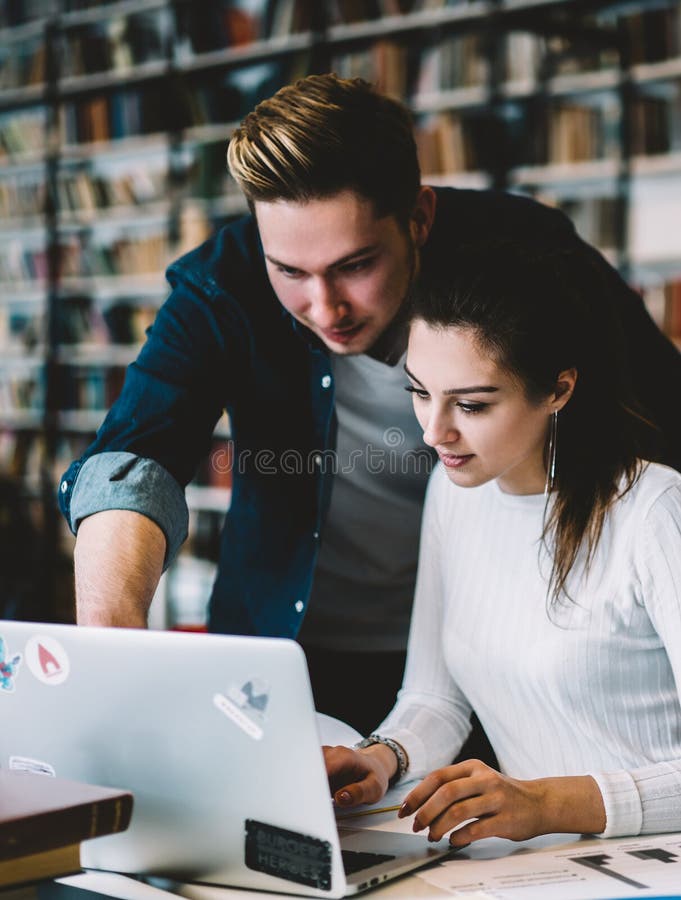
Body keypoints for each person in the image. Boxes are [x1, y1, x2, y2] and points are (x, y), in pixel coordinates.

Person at [58, 74, 681, 737]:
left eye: (355, 265)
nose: (324, 310)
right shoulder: (222, 284)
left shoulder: (525, 253)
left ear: (418, 217)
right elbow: (133, 460)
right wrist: (110, 654)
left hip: (501, 653)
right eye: (290, 273)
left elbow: (660, 414)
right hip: (281, 651)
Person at [324, 240, 681, 843]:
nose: (435, 430)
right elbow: (436, 699)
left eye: (471, 403)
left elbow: (544, 803)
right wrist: (382, 757)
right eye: (418, 391)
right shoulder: (452, 490)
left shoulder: (654, 511)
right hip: (531, 869)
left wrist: (547, 803)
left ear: (558, 390)